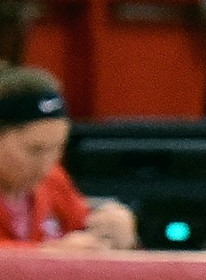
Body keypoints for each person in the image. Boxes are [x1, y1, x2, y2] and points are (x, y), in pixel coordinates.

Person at [0, 63, 137, 250]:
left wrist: (116, 237)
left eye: (58, 148)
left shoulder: (53, 181)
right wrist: (47, 256)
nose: (47, 163)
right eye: (35, 150)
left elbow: (84, 231)